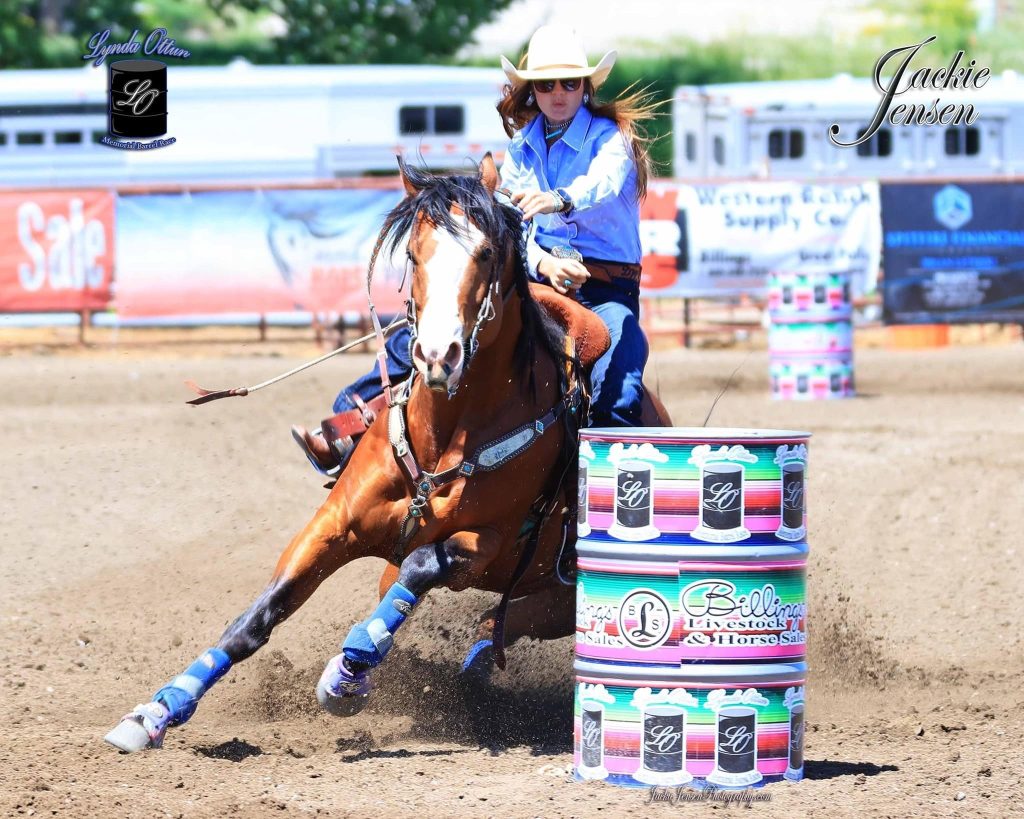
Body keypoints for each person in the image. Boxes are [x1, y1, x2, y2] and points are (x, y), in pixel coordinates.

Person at [292, 24, 657, 476]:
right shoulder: (522, 147)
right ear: (532, 91)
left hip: (604, 290)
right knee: (431, 329)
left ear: (585, 87)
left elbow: (603, 184)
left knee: (618, 362)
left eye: (569, 82)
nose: (558, 93)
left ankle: (610, 478)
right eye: (546, 84)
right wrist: (543, 261)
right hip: (538, 277)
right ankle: (348, 428)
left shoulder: (611, 138)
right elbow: (510, 223)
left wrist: (558, 199)